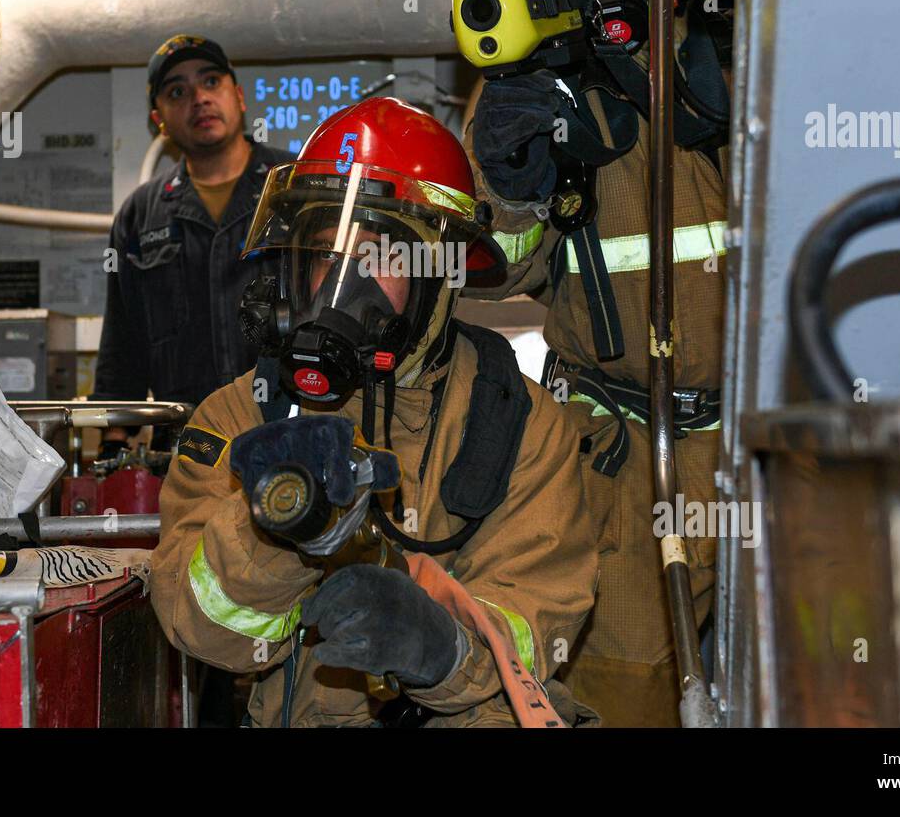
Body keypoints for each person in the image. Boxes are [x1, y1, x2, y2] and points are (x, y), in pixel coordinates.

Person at [151, 97, 597, 727]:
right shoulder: (241, 417)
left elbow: (534, 627)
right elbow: (202, 631)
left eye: (380, 258)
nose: (344, 285)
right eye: (325, 255)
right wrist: (277, 524)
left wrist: (438, 646)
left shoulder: (521, 423)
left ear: (438, 276)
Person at [462, 0, 732, 726]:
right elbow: (496, 273)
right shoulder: (531, 87)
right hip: (615, 466)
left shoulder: (745, 69)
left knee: (809, 681)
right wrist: (512, 181)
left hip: (759, 456)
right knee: (627, 697)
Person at [93, 36, 290, 440]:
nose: (199, 99)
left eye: (211, 81)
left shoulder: (295, 185)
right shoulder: (140, 215)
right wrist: (114, 448)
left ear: (239, 96)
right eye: (177, 92)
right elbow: (122, 347)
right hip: (186, 446)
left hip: (292, 432)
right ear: (159, 120)